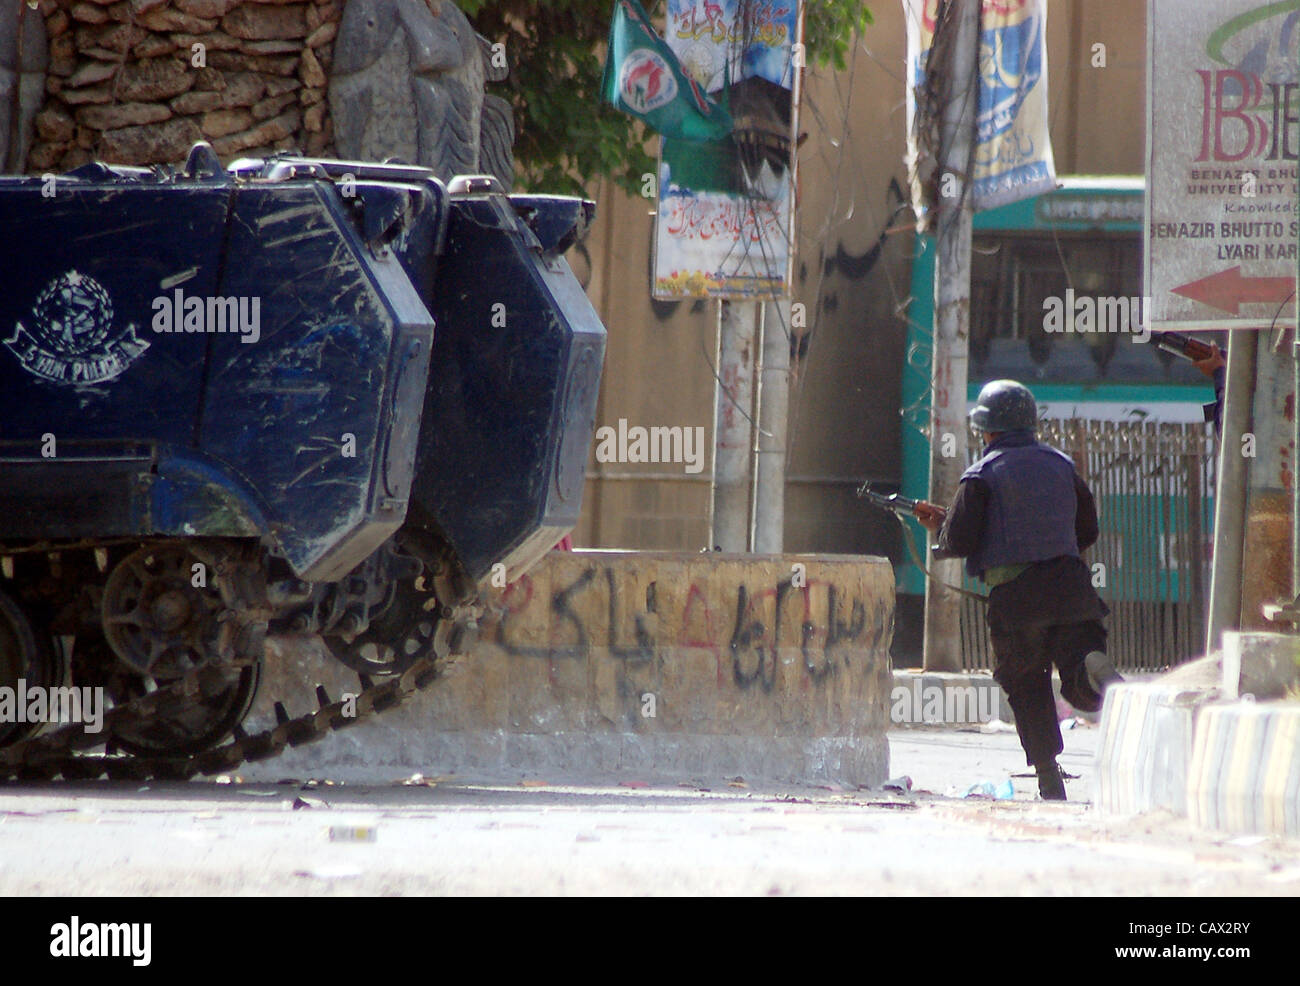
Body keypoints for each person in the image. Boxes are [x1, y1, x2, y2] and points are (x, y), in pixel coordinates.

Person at [914, 380, 1123, 801]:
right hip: (1072, 588)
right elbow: (1088, 530)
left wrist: (940, 527)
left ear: (987, 431)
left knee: (1026, 681)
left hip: (1016, 598)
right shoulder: (1062, 464)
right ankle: (1088, 664)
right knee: (1077, 667)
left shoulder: (980, 476)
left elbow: (958, 543)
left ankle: (1049, 776)